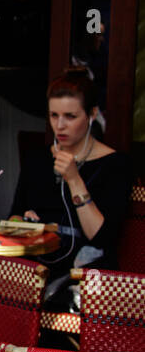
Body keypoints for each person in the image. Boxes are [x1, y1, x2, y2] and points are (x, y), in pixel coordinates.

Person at [11, 70, 133, 311]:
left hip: (86, 274)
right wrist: (25, 224)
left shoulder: (115, 165)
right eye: (54, 115)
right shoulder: (37, 160)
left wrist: (74, 179)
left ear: (91, 115)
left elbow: (102, 238)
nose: (60, 125)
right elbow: (12, 216)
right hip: (37, 265)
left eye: (70, 116)